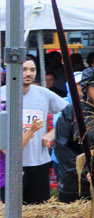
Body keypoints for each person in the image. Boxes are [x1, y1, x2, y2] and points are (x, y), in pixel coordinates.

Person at [2, 58, 68, 203]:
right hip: (8, 165)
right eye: (24, 69)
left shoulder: (44, 93)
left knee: (37, 209)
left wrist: (53, 133)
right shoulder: (2, 95)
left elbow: (70, 114)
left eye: (32, 70)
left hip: (39, 161)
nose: (28, 73)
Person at [54, 68, 94, 203]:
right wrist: (85, 173)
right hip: (76, 188)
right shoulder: (72, 112)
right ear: (85, 88)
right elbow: (62, 149)